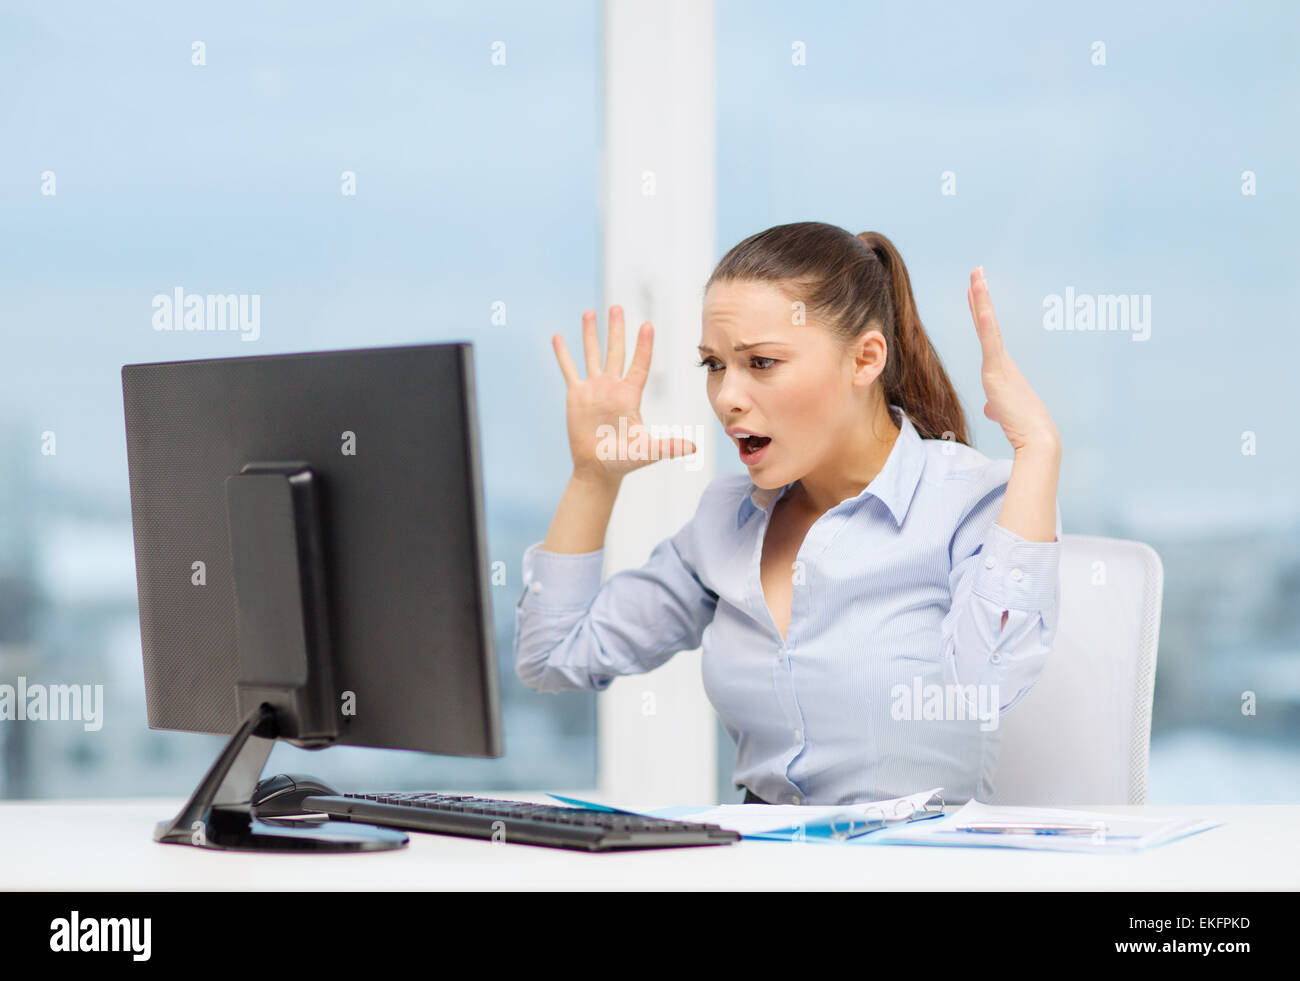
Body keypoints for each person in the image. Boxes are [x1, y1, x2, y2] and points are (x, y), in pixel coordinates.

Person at [513, 221, 1062, 806]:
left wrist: (1038, 449)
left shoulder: (967, 501)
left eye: (763, 362)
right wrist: (593, 479)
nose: (727, 397)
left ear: (866, 359)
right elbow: (551, 656)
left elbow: (989, 682)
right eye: (714, 365)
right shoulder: (725, 521)